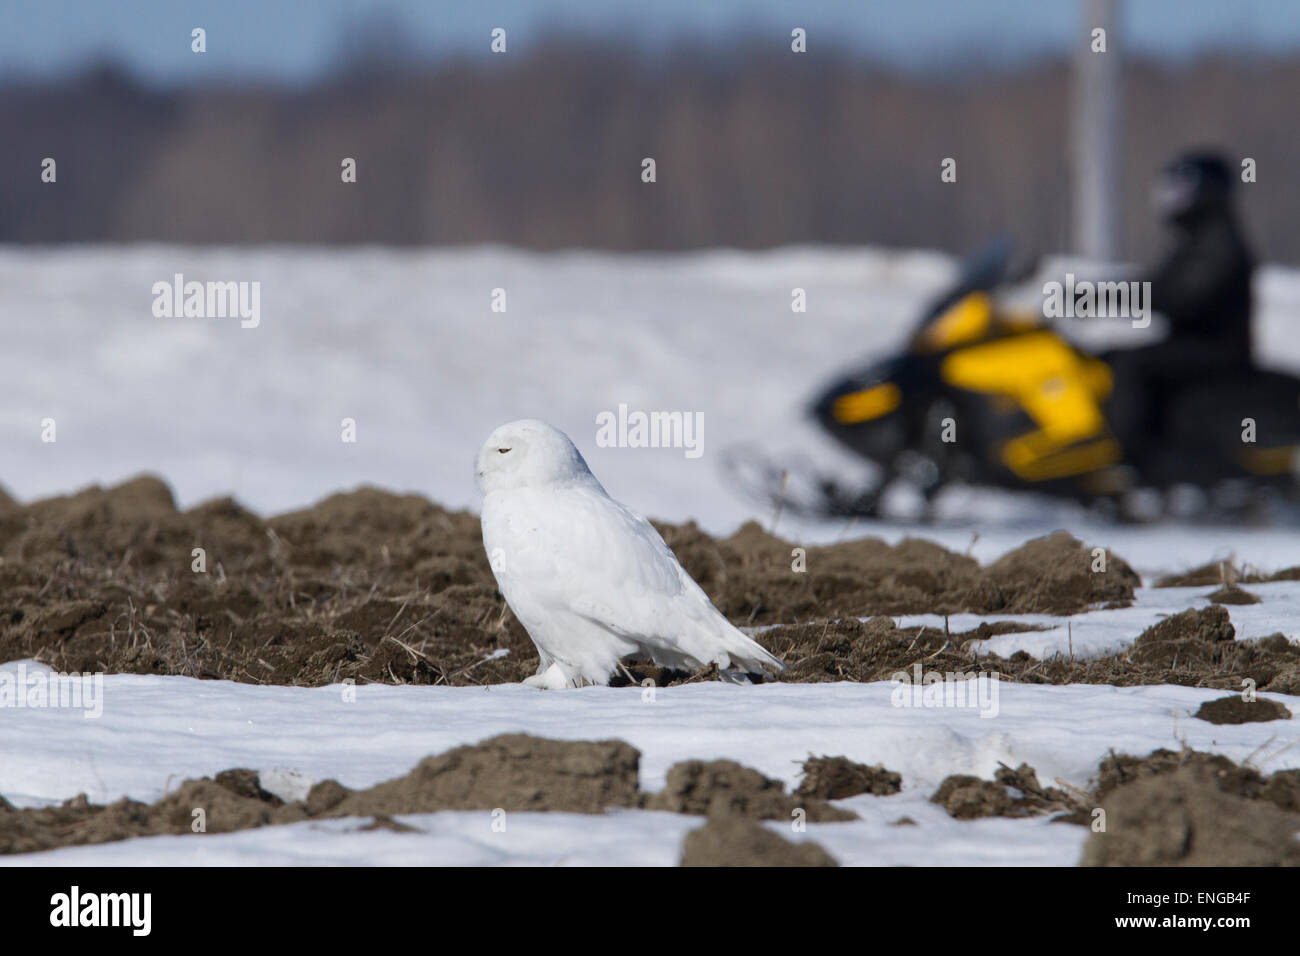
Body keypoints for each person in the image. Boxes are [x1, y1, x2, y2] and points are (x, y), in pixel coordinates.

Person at [1107, 150, 1256, 458]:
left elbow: (1183, 297)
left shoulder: (1219, 243)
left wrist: (1109, 298)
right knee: (1107, 357)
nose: (1169, 197)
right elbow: (1163, 287)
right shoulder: (1198, 240)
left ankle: (1131, 461)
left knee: (1132, 366)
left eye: (1181, 187)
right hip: (1199, 345)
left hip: (1217, 351)